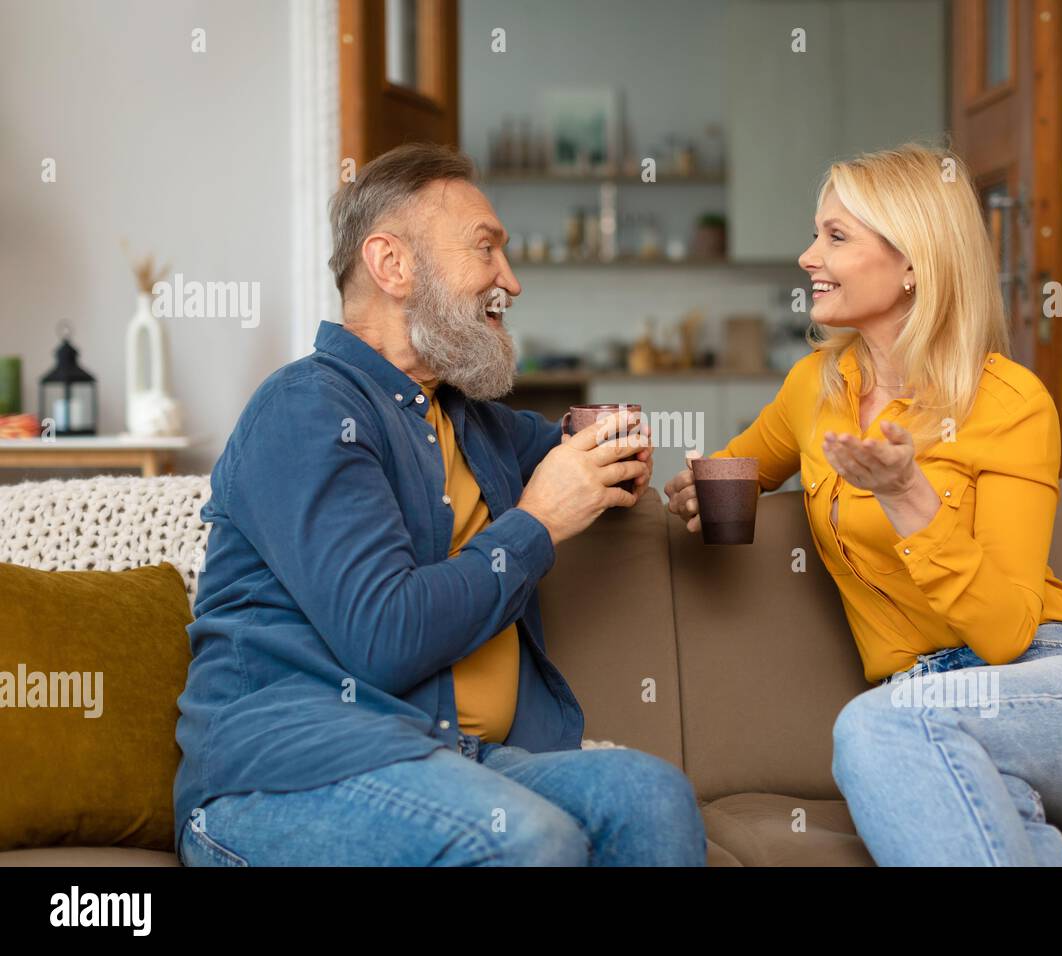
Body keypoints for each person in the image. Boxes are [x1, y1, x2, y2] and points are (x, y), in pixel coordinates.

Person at [174, 142, 707, 866]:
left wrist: (621, 459)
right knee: (528, 838)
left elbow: (567, 447)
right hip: (292, 773)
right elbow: (383, 636)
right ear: (392, 265)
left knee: (649, 795)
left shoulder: (468, 418)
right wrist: (543, 520)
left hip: (458, 760)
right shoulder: (305, 409)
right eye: (486, 250)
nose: (510, 282)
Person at [664, 144, 1062, 866]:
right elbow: (741, 466)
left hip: (1060, 695)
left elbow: (1004, 634)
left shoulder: (1009, 401)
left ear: (912, 264)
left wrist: (907, 497)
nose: (807, 256)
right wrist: (695, 486)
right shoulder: (815, 387)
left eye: (836, 236)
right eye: (815, 233)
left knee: (873, 730)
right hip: (930, 719)